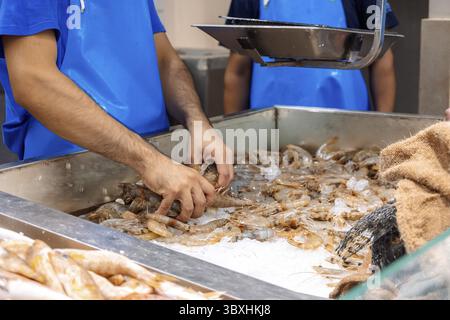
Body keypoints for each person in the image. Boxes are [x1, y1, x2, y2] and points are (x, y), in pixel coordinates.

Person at [0, 0, 233, 221]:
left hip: (159, 178)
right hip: (70, 183)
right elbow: (34, 82)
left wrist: (198, 122)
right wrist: (150, 161)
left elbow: (165, 61)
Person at [224, 0, 399, 115]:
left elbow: (382, 60)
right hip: (269, 128)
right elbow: (238, 70)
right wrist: (233, 135)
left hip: (348, 126)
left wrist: (381, 127)